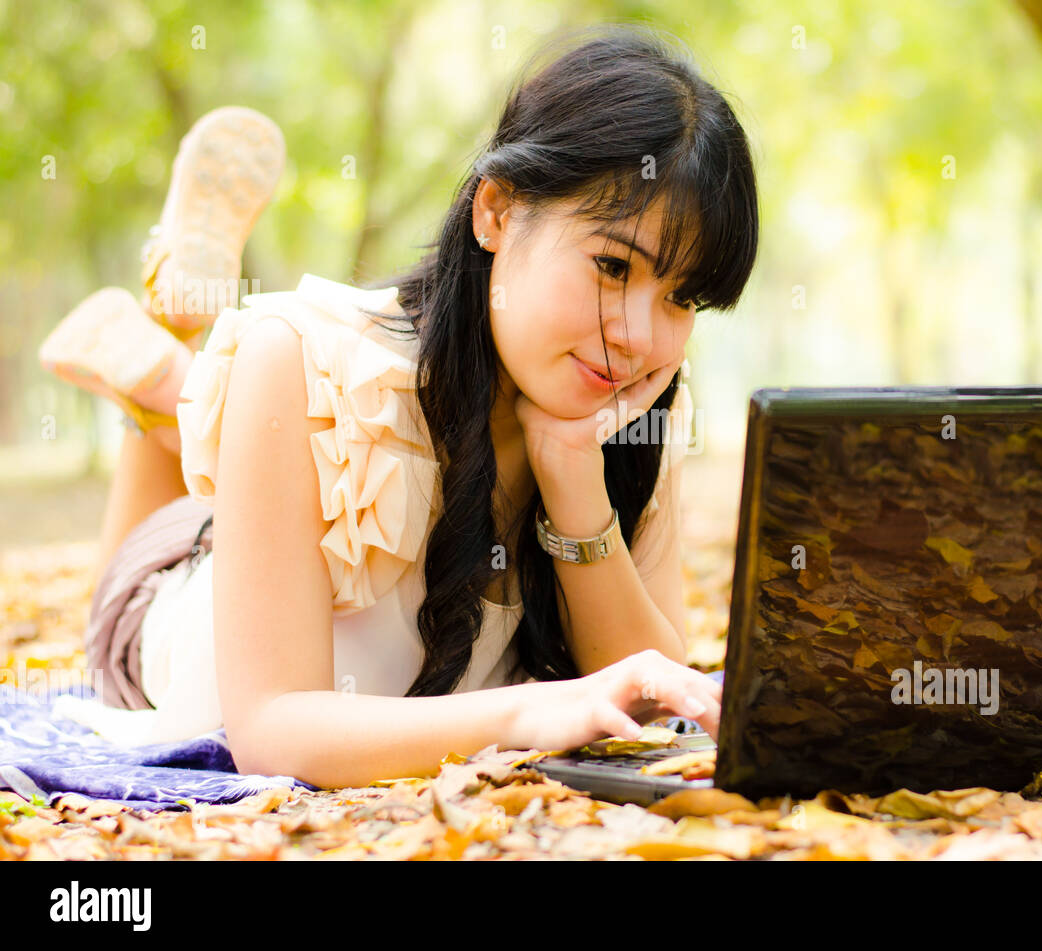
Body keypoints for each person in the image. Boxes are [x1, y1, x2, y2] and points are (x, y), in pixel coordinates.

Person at [37, 24, 759, 790]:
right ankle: (167, 377)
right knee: (120, 619)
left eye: (681, 297)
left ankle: (173, 373)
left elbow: (648, 686)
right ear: (496, 211)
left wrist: (574, 479)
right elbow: (273, 731)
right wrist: (525, 713)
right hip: (194, 589)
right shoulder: (301, 357)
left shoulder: (633, 412)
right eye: (612, 265)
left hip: (281, 474)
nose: (639, 337)